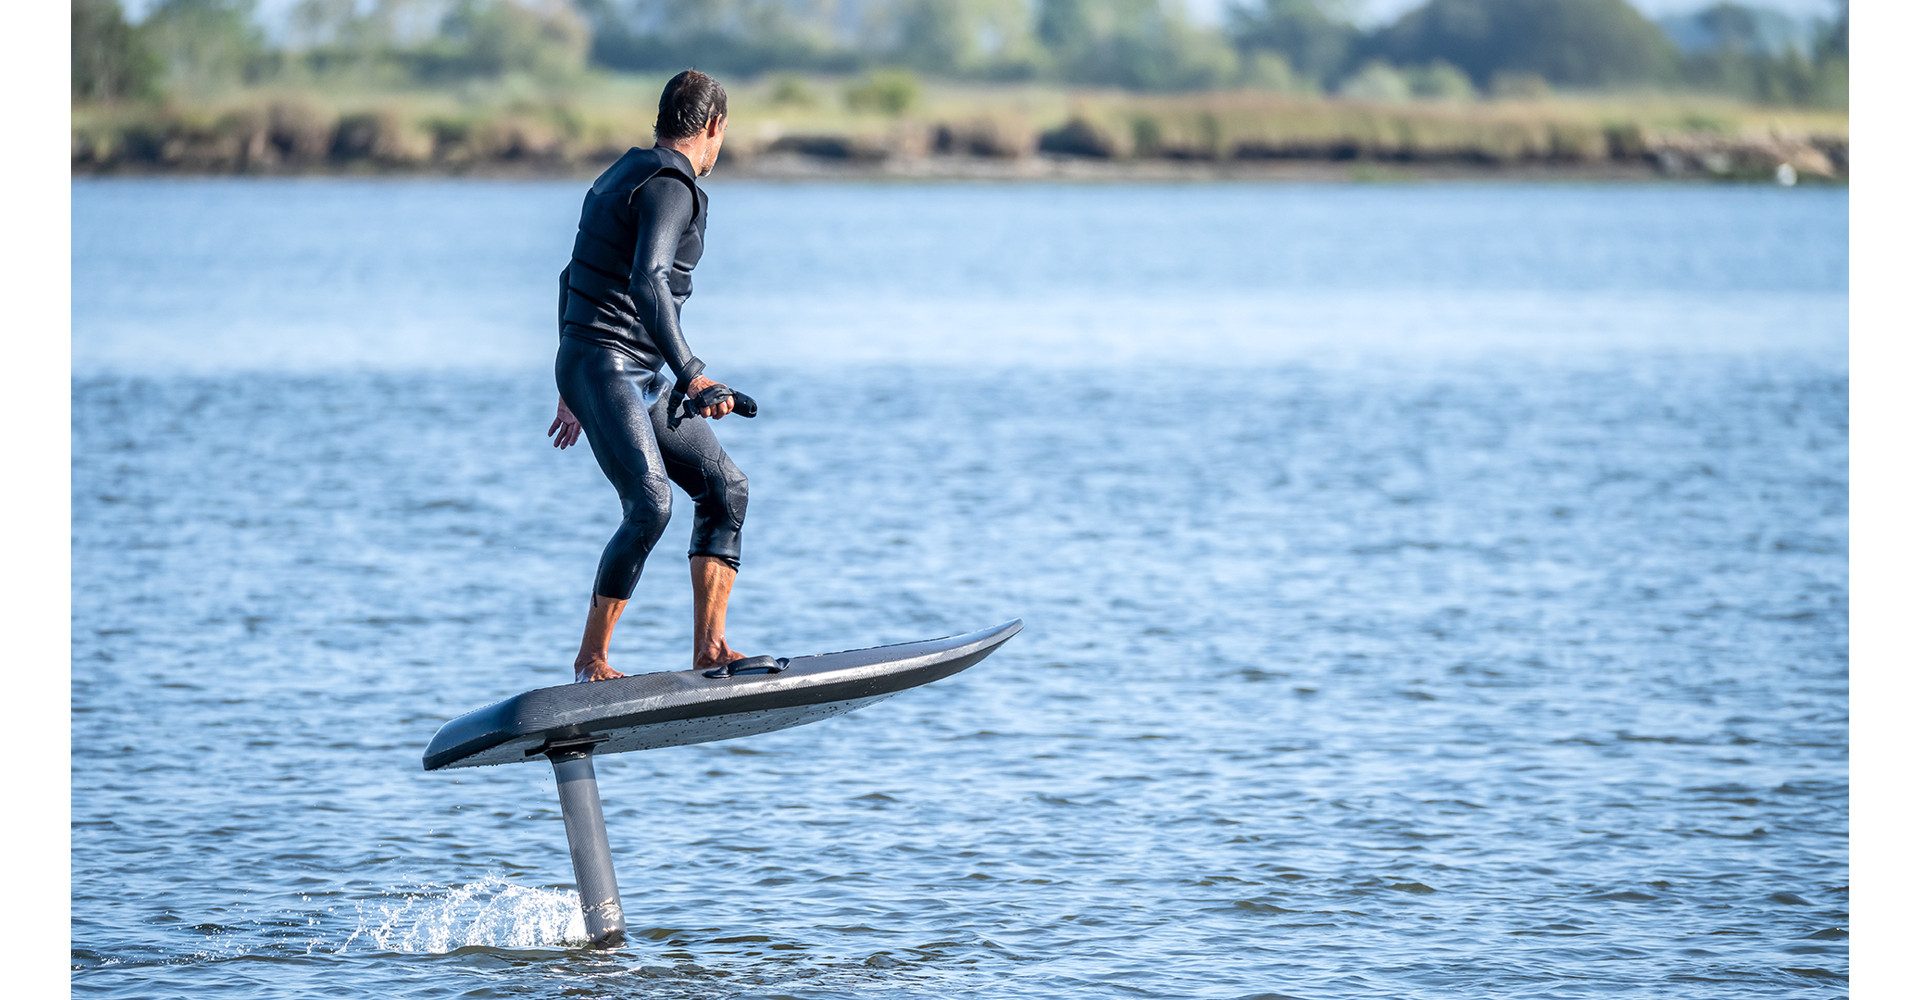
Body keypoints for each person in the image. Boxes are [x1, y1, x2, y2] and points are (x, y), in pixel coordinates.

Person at [546, 69, 754, 683]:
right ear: (713, 127)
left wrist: (567, 380)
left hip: (617, 369)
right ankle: (590, 662)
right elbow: (648, 281)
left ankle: (712, 649)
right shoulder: (671, 186)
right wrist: (692, 376)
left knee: (725, 489)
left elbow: (569, 277)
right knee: (651, 504)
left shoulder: (621, 173)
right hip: (606, 364)